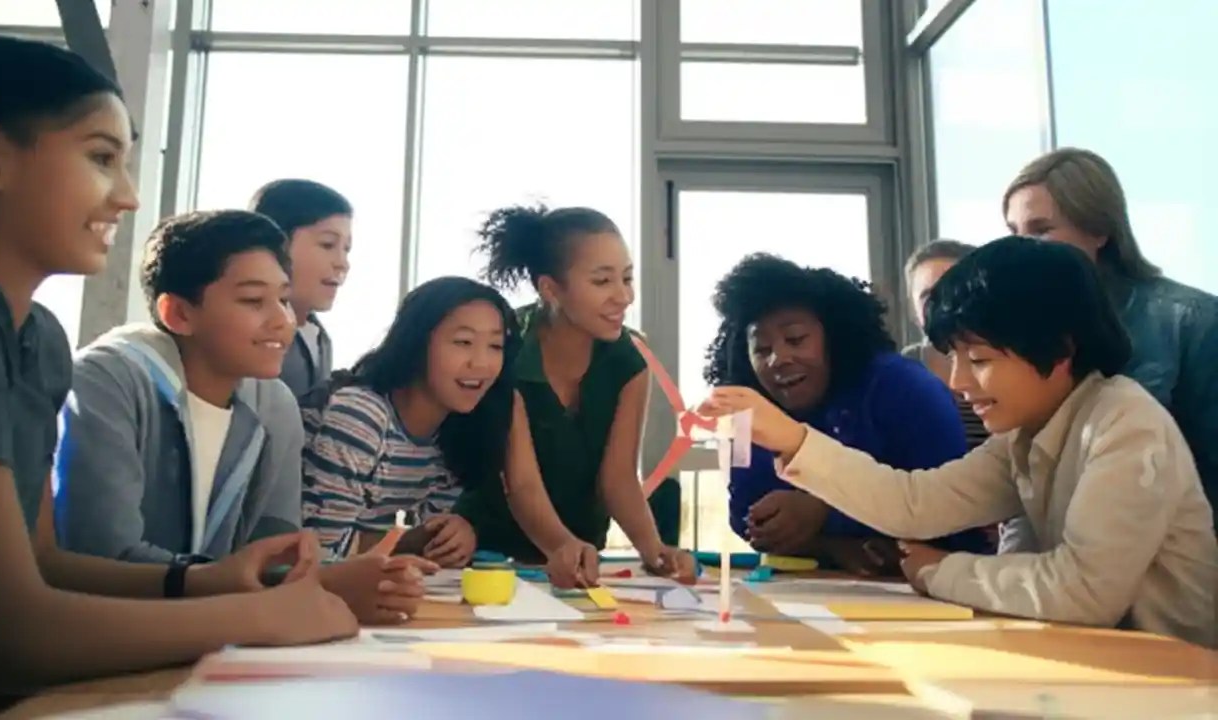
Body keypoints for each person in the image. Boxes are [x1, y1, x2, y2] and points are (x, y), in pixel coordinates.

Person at [0, 35, 355, 715]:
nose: (128, 197)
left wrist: (211, 581)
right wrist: (259, 619)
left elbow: (44, 563)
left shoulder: (39, 338)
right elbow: (7, 635)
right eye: (101, 158)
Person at [700, 237, 1217, 648]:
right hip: (1090, 667)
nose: (958, 383)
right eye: (955, 359)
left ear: (1060, 350)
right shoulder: (1024, 434)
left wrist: (938, 570)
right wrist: (790, 437)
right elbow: (915, 503)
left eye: (981, 360)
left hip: (1173, 684)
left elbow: (1084, 590)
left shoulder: (1125, 424)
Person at [52, 209, 428, 624]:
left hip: (213, 635)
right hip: (108, 636)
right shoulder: (107, 381)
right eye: (253, 301)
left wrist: (340, 576)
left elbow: (274, 554)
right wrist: (316, 585)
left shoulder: (275, 406)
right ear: (178, 313)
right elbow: (101, 557)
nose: (282, 322)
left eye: (284, 299)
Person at [702, 254, 990, 576]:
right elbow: (745, 516)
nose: (778, 359)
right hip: (817, 587)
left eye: (796, 339)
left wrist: (824, 512)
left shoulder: (905, 388)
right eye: (762, 349)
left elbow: (947, 509)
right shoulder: (747, 409)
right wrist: (833, 547)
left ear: (834, 337)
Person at [455, 204, 695, 588]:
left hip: (579, 561)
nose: (624, 297)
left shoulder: (630, 357)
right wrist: (563, 545)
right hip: (489, 559)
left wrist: (654, 549)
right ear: (550, 289)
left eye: (627, 278)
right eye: (602, 282)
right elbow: (521, 484)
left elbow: (617, 478)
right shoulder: (506, 350)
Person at [1004, 148, 1218, 520]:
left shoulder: (1191, 321)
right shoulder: (1026, 331)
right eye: (1014, 232)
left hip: (1171, 560)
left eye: (1041, 230)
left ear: (1098, 229)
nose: (1022, 248)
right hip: (1065, 556)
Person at [302, 276, 518, 569]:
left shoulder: (457, 432)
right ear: (416, 343)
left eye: (495, 345)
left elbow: (417, 555)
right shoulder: (360, 416)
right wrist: (409, 543)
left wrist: (446, 536)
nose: (481, 363)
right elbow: (318, 554)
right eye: (463, 342)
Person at [249, 178, 353, 399]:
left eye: (347, 249)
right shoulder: (254, 333)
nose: (342, 263)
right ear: (277, 244)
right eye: (327, 244)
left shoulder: (321, 340)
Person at [902, 240, 989, 450]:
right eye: (928, 297)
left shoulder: (1011, 360)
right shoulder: (903, 370)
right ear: (914, 312)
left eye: (953, 291)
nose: (942, 305)